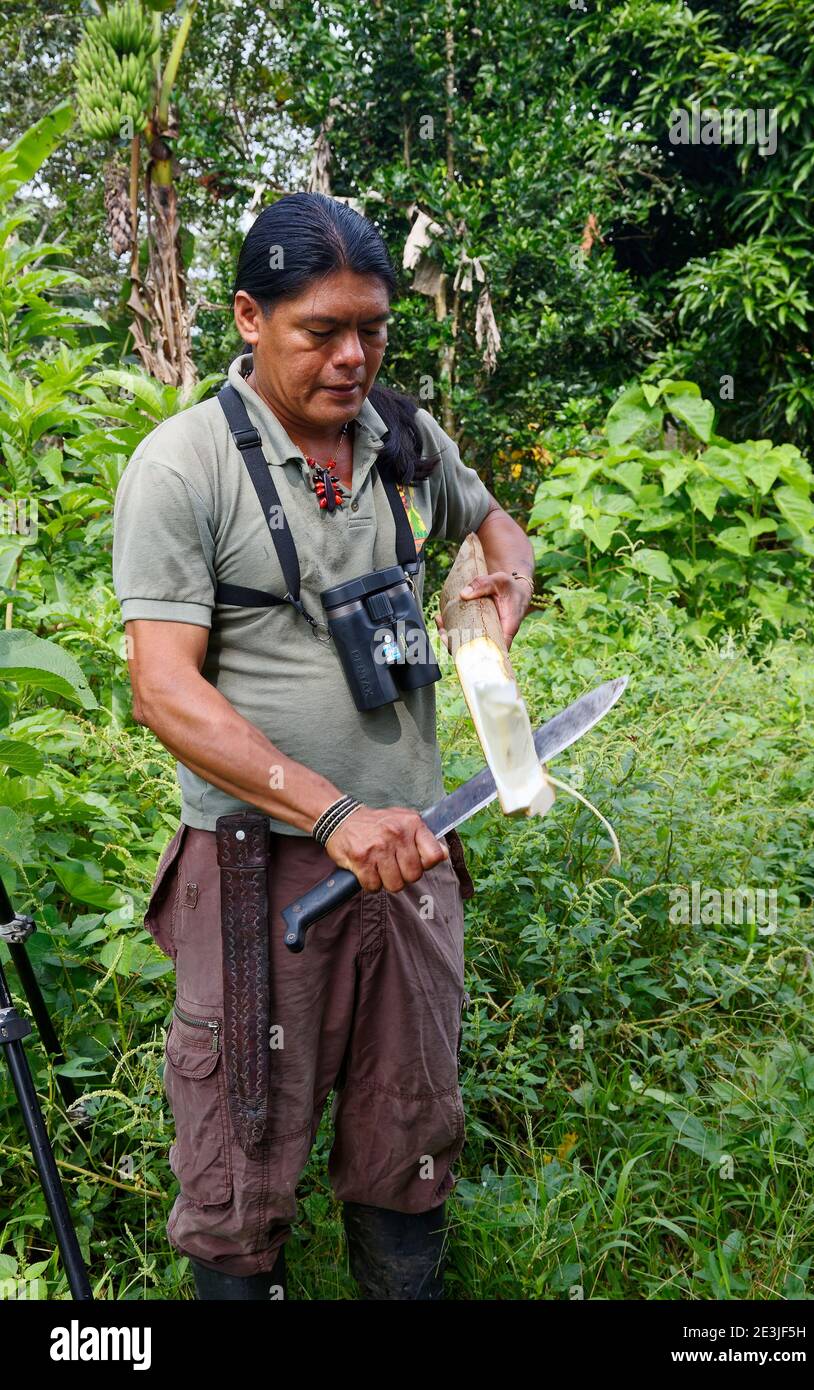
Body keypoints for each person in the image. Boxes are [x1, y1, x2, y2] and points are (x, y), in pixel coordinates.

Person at [112, 191, 535, 1300]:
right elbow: (163, 689)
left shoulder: (399, 434)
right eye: (321, 332)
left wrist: (499, 586)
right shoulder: (183, 466)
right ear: (250, 318)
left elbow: (496, 526)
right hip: (263, 869)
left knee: (410, 1137)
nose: (353, 357)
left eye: (374, 329)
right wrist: (334, 815)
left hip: (413, 858)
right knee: (238, 1162)